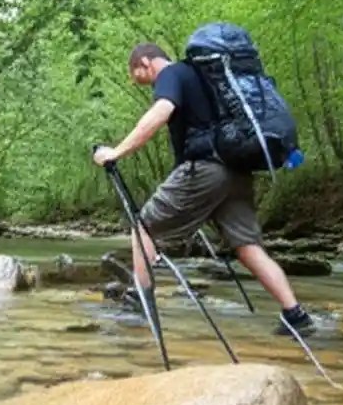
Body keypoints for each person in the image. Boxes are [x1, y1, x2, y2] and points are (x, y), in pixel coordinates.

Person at [92, 42, 315, 337]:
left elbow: (160, 112)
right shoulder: (207, 81)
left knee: (142, 226)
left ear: (146, 62)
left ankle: (139, 305)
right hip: (237, 171)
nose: (138, 82)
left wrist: (116, 152)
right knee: (248, 247)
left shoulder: (171, 74)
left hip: (206, 168)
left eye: (137, 75)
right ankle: (295, 314)